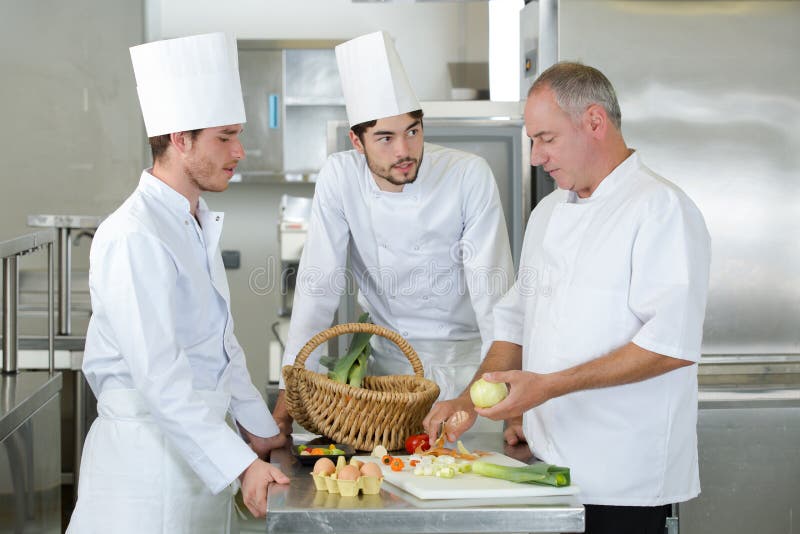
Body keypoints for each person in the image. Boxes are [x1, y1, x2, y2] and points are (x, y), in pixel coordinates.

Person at [424, 62, 711, 534]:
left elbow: (668, 345)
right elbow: (514, 326)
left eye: (546, 138)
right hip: (543, 470)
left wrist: (548, 386)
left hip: (624, 483)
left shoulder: (660, 209)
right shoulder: (548, 212)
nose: (536, 156)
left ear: (594, 122)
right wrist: (468, 404)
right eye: (532, 140)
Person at [67, 33, 289, 533]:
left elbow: (221, 347)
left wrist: (262, 429)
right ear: (180, 139)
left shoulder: (193, 219)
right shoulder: (132, 234)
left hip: (197, 459)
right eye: (225, 137)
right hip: (144, 475)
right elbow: (161, 377)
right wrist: (240, 464)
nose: (241, 150)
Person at [272, 31, 514, 434]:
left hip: (468, 371)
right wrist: (286, 403)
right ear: (357, 141)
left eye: (413, 131)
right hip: (386, 383)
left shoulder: (467, 175)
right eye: (385, 138)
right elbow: (318, 291)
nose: (404, 150)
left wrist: (504, 399)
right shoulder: (340, 177)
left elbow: (495, 297)